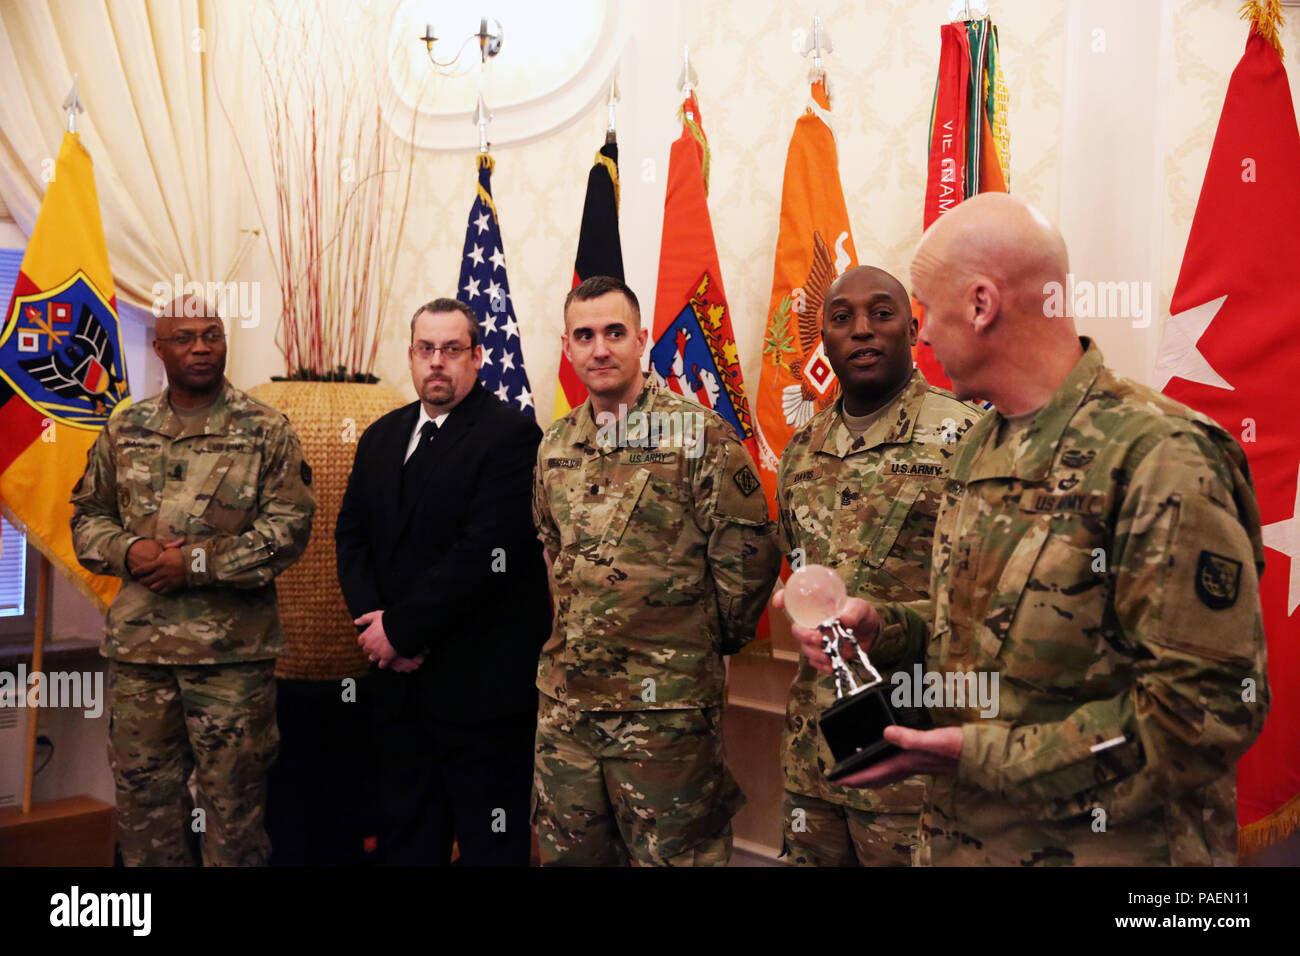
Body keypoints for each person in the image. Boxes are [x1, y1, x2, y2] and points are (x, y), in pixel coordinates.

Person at [785, 193, 1270, 865]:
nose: (919, 337)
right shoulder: (982, 444)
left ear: (982, 305)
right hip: (966, 842)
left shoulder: (1160, 456)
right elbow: (987, 634)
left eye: (924, 311)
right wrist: (888, 627)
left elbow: (1207, 712)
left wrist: (984, 756)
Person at [531, 275, 781, 866]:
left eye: (615, 332)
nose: (600, 349)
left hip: (664, 716)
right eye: (585, 335)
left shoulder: (699, 437)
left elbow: (748, 561)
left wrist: (690, 652)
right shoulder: (555, 444)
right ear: (566, 347)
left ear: (641, 339)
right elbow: (551, 549)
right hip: (567, 710)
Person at [70, 294, 314, 866]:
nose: (201, 347)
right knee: (144, 810)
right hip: (140, 657)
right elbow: (86, 519)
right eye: (184, 337)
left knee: (235, 814)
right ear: (159, 349)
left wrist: (196, 563)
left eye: (212, 335)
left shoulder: (266, 430)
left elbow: (289, 531)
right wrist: (131, 552)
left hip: (231, 660)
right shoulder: (124, 426)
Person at [775, 265, 981, 866]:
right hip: (816, 753)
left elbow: (990, 601)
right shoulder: (801, 451)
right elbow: (800, 572)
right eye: (841, 318)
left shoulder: (967, 437)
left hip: (917, 751)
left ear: (913, 329)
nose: (861, 330)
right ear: (825, 339)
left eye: (881, 314)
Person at [338, 297, 550, 866]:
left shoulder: (511, 437)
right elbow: (351, 537)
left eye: (452, 349)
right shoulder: (381, 437)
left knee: (489, 845)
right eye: (426, 349)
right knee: (408, 838)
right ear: (410, 357)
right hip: (397, 688)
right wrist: (375, 629)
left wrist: (401, 631)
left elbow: (486, 554)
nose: (438, 362)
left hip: (479, 690)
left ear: (477, 357)